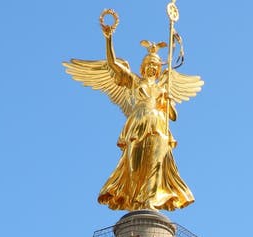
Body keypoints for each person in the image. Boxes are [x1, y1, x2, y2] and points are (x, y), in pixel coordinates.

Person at [64, 15, 203, 211]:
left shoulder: (163, 87)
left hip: (158, 127)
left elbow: (173, 116)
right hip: (138, 125)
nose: (152, 68)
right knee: (134, 167)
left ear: (158, 69)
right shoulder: (134, 82)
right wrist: (108, 39)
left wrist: (167, 100)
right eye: (149, 65)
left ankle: (150, 200)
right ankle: (135, 200)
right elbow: (113, 65)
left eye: (155, 66)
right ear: (143, 67)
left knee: (156, 165)